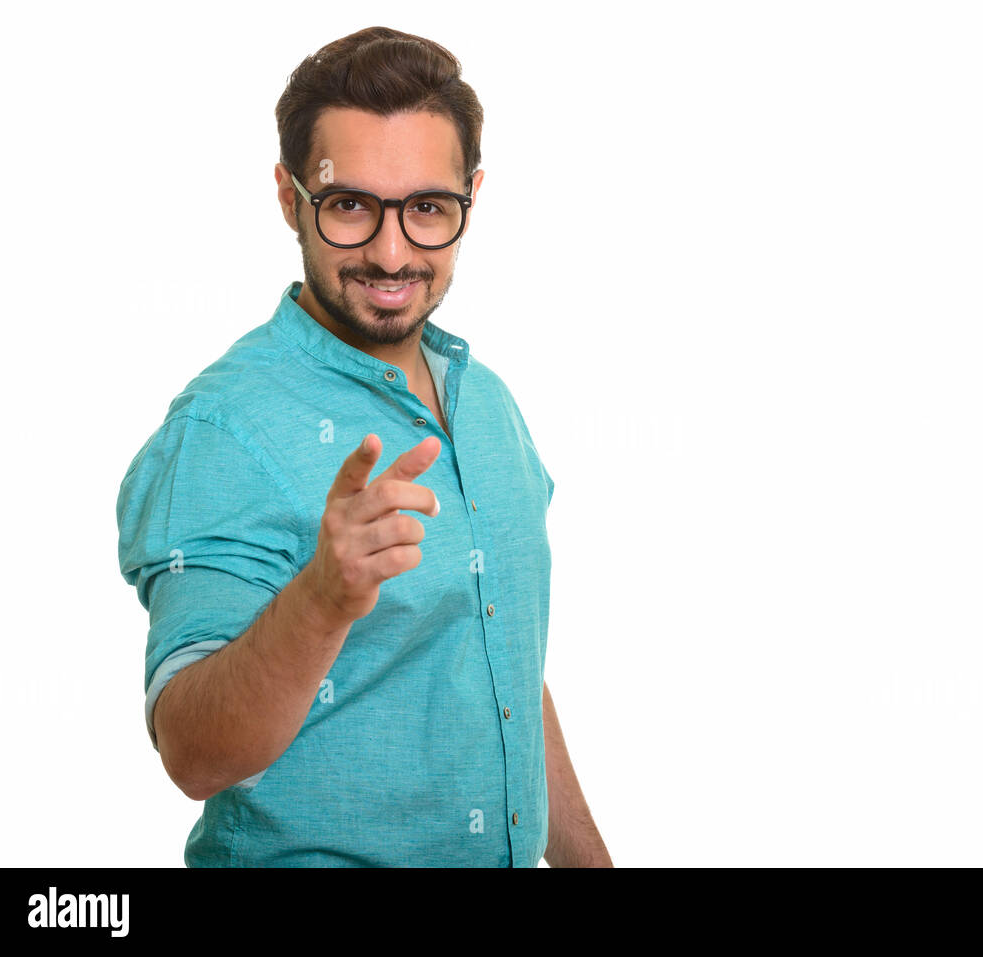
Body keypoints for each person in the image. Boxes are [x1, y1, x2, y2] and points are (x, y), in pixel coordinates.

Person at [115, 26, 611, 868]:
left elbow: (506, 672)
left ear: (470, 198)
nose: (391, 252)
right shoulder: (223, 427)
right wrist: (322, 597)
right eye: (350, 206)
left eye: (426, 208)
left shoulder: (486, 402)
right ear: (289, 198)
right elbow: (192, 752)